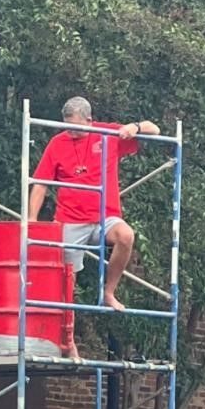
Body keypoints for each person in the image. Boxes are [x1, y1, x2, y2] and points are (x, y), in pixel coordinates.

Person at [29, 96, 160, 311]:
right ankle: (67, 337)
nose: (70, 131)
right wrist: (32, 219)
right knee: (65, 283)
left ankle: (109, 292)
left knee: (126, 236)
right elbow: (40, 183)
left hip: (104, 217)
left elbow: (154, 130)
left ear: (89, 120)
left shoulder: (107, 133)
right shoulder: (57, 143)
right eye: (66, 126)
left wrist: (134, 127)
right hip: (69, 219)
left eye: (75, 127)